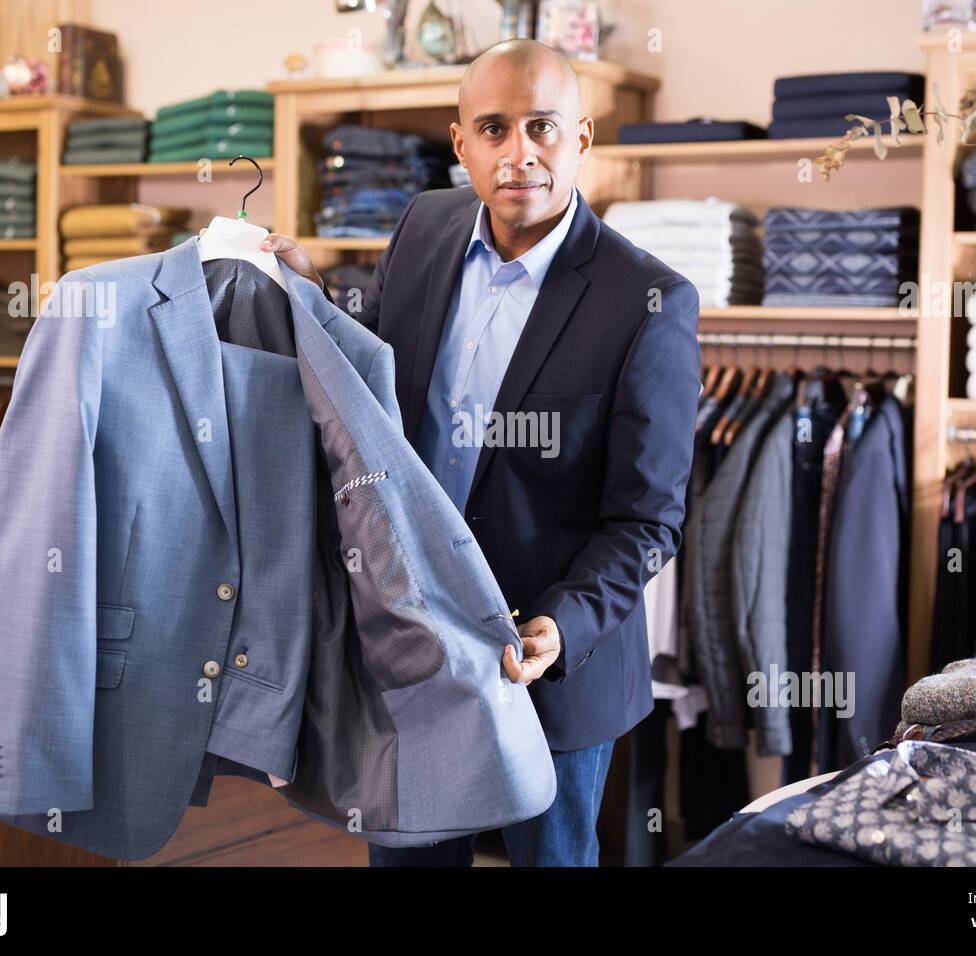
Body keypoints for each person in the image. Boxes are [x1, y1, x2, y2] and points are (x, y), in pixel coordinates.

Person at [260, 38, 700, 866]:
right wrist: (310, 293)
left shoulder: (648, 301)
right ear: (461, 143)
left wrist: (559, 629)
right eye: (494, 129)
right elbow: (377, 370)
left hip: (551, 664)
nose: (519, 153)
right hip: (414, 640)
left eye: (542, 127)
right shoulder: (425, 226)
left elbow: (648, 520)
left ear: (583, 138)